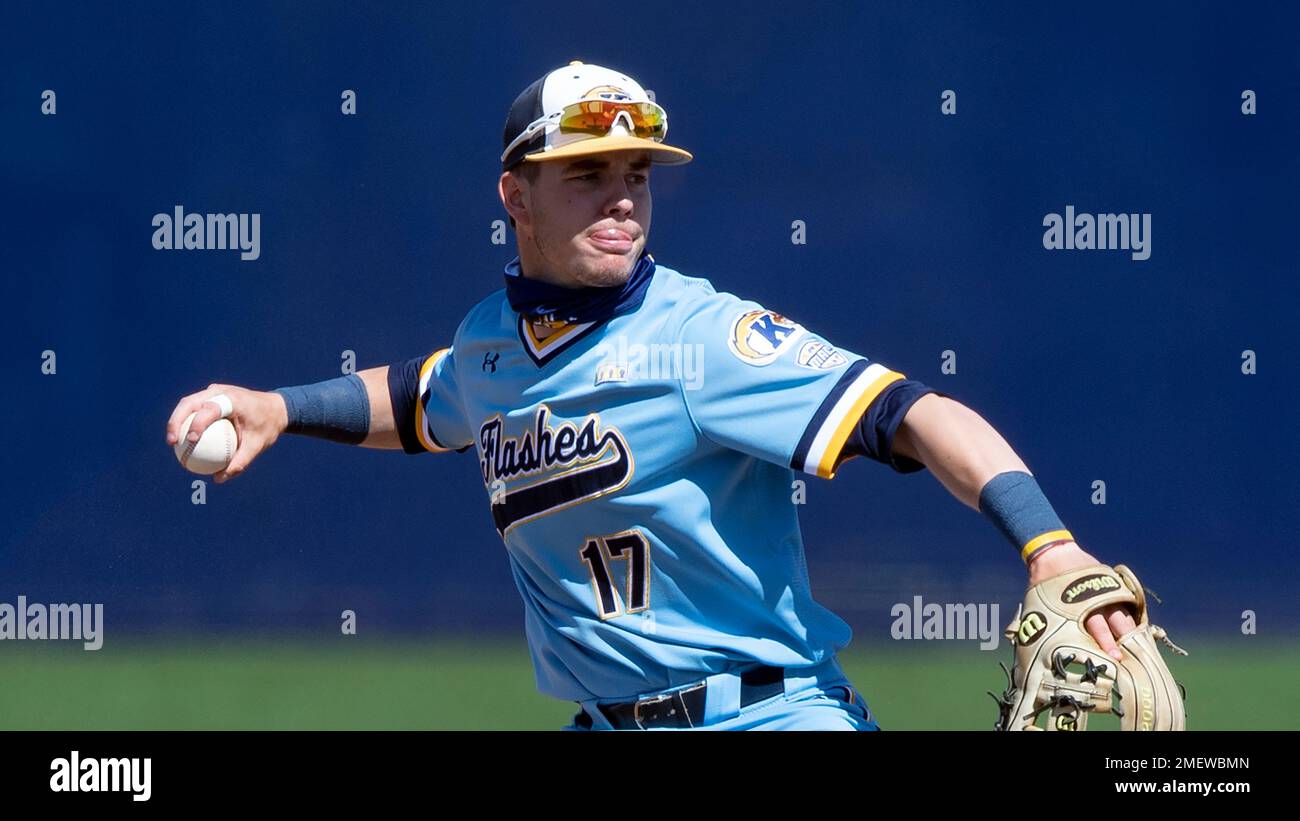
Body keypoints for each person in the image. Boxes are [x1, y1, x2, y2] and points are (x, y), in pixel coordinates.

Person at [165, 61, 1136, 730]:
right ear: (515, 196)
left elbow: (913, 414)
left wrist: (1050, 543)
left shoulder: (699, 336)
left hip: (763, 711)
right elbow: (429, 398)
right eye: (586, 175)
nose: (622, 197)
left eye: (636, 174)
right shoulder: (491, 341)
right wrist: (278, 407)